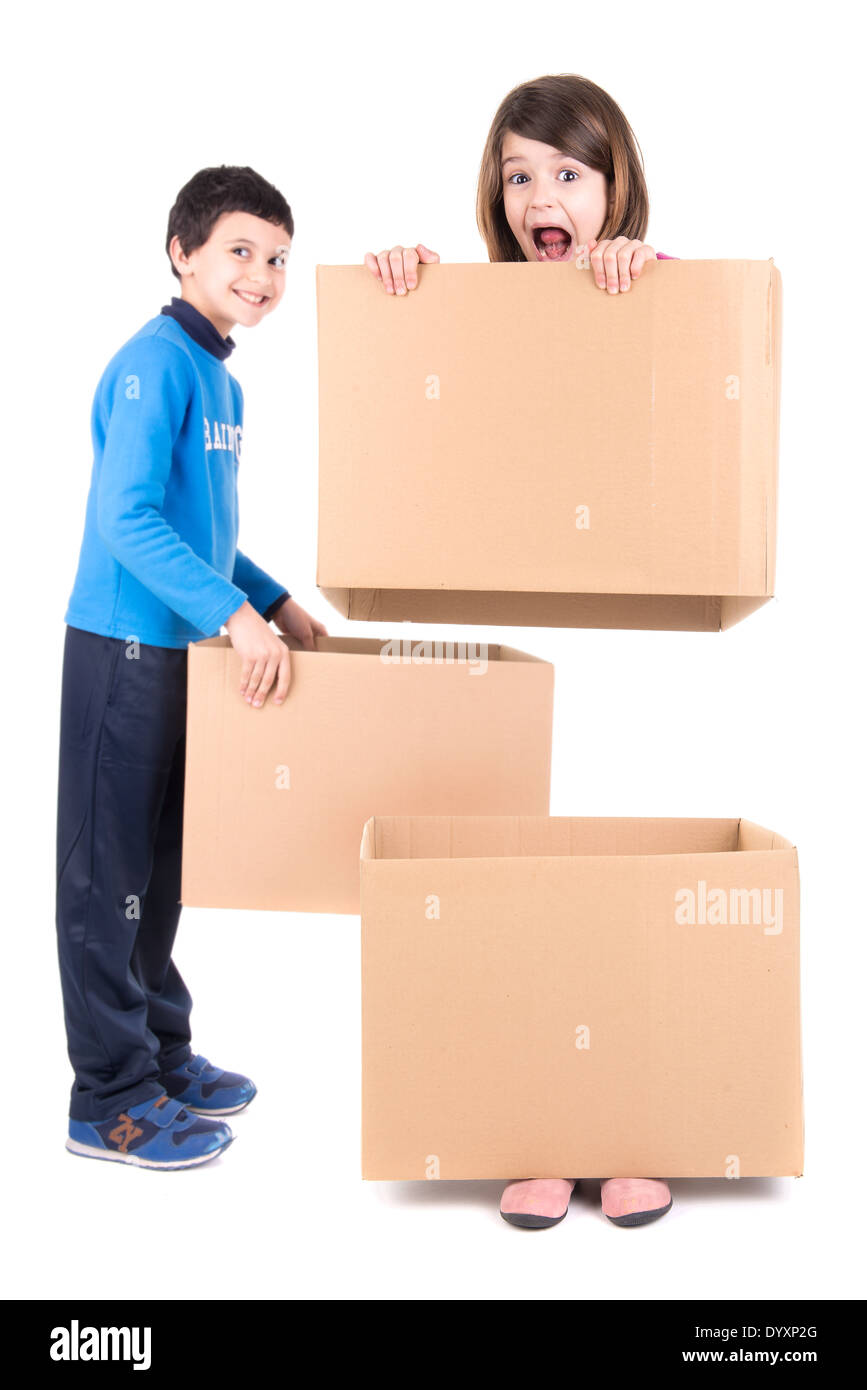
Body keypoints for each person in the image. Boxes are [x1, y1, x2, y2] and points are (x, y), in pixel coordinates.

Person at [364, 73, 677, 1228]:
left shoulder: (649, 282)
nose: (542, 197)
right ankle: (538, 1126)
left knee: (624, 886)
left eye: (568, 174)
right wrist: (406, 290)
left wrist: (649, 273)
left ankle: (631, 1124)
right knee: (517, 887)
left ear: (615, 185)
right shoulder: (477, 307)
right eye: (518, 177)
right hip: (519, 644)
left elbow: (697, 383)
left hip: (637, 647)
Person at [56, 164, 328, 1169]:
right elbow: (125, 519)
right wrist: (233, 615)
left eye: (279, 258)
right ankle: (109, 1099)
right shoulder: (154, 363)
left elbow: (199, 529)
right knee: (106, 879)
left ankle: (160, 1056)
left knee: (161, 874)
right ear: (182, 253)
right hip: (122, 651)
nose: (263, 274)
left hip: (185, 654)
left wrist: (273, 600)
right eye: (240, 250)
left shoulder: (222, 379)